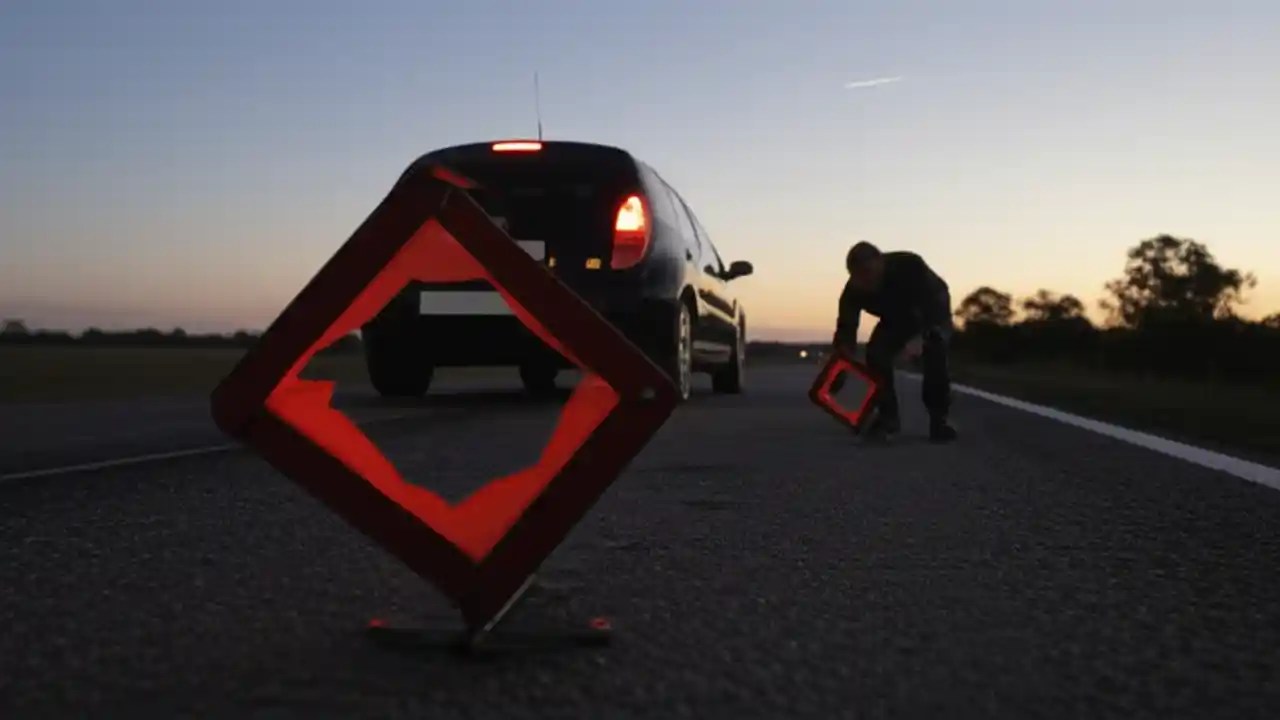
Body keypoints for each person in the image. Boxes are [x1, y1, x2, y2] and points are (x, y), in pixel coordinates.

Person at [832, 241, 958, 442]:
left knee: (934, 347)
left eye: (869, 272)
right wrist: (842, 359)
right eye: (858, 276)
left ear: (881, 262)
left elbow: (935, 301)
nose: (865, 281)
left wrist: (922, 336)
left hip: (932, 312)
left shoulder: (909, 265)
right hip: (896, 320)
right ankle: (888, 418)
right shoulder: (853, 291)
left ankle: (939, 420)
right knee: (875, 353)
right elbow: (846, 327)